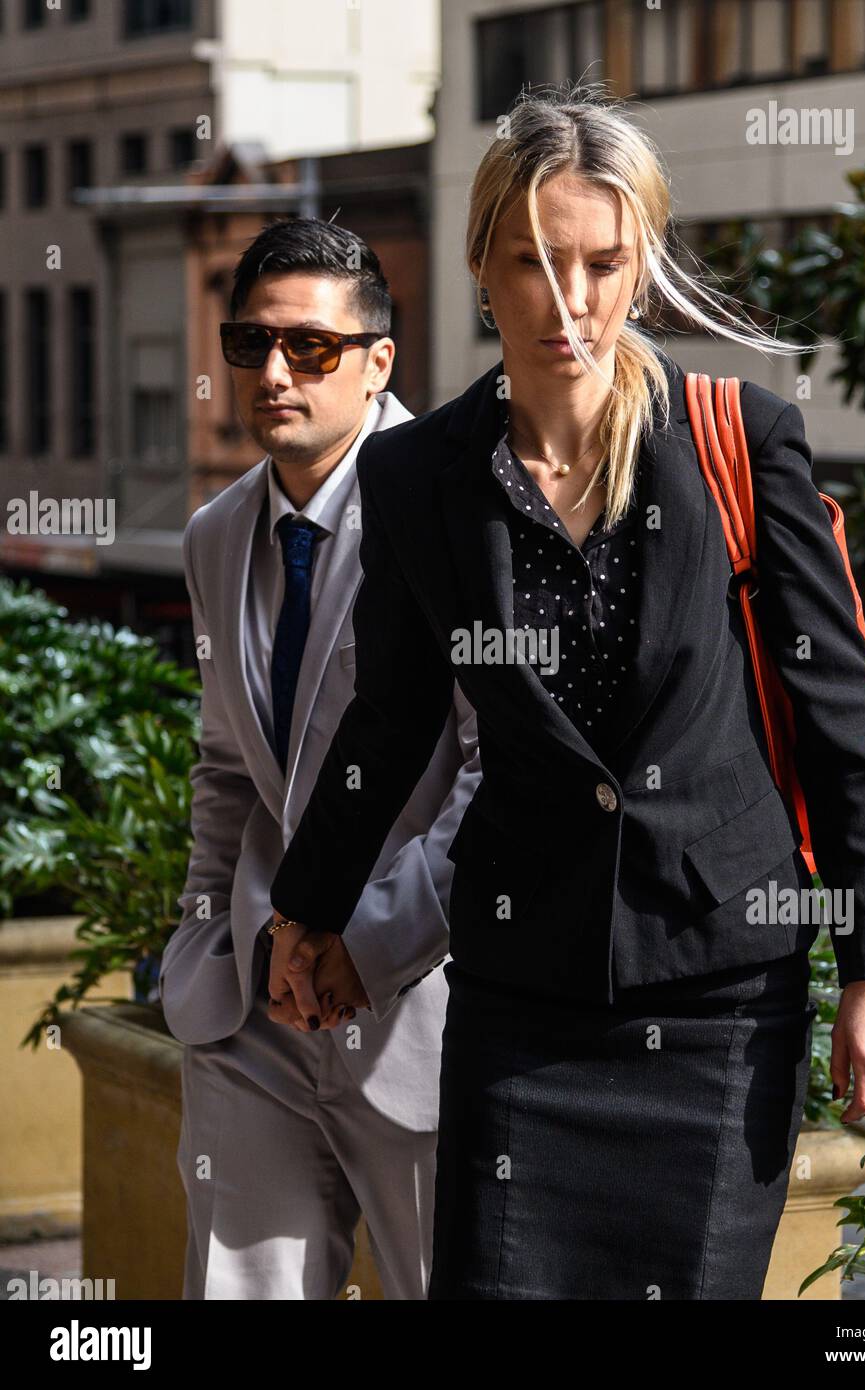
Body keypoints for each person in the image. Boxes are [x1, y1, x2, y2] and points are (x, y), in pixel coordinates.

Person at [269, 88, 865, 1300]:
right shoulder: (416, 474)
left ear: (639, 267)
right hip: (523, 996)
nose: (565, 302)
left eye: (599, 262)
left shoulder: (741, 441)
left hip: (723, 990)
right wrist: (307, 906)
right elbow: (392, 717)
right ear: (481, 265)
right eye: (531, 261)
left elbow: (839, 720)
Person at [159, 218, 480, 1299]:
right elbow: (229, 769)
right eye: (251, 344)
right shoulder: (214, 535)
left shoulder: (462, 510)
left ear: (380, 359)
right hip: (253, 1013)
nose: (275, 372)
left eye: (313, 348)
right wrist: (209, 942)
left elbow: (494, 773)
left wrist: (370, 943)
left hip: (424, 1010)